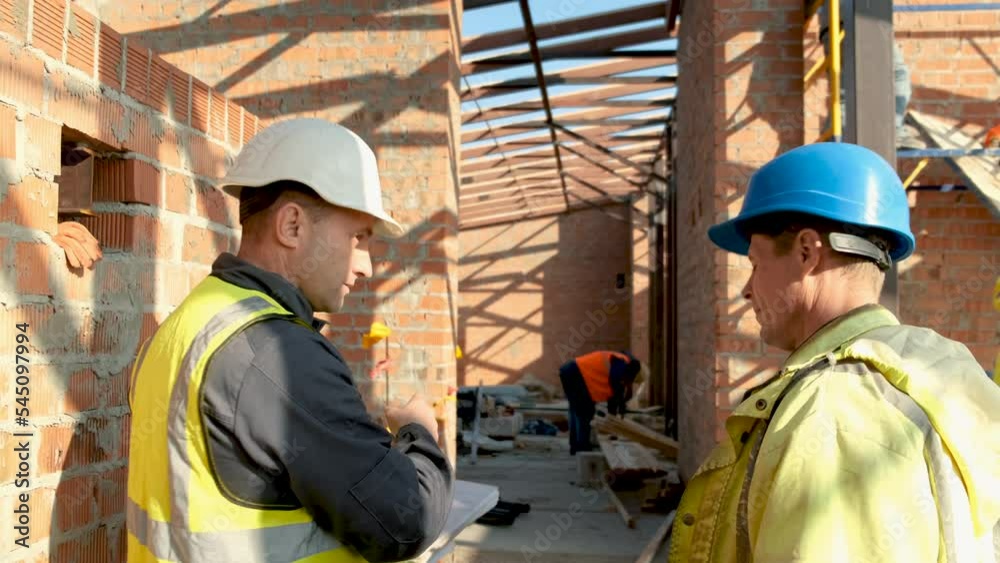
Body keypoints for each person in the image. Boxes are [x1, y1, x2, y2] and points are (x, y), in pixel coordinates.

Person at [126, 118, 455, 562]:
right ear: (293, 226)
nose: (367, 267)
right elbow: (402, 522)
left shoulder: (188, 322)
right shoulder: (277, 353)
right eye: (358, 237)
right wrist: (420, 433)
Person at [667, 142, 1000, 562]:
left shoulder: (834, 413)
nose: (747, 289)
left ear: (806, 252)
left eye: (755, 263)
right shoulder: (938, 364)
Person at [817, 1, 926, 149]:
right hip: (857, 18)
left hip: (848, 20)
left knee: (844, 88)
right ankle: (894, 131)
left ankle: (834, 137)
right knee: (896, 75)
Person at [557, 350, 645, 454]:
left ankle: (575, 446)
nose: (630, 384)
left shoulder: (622, 361)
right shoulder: (620, 366)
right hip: (577, 374)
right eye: (632, 381)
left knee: (576, 410)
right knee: (585, 411)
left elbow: (615, 391)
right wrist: (614, 416)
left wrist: (620, 405)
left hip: (569, 371)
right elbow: (614, 394)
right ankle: (582, 448)